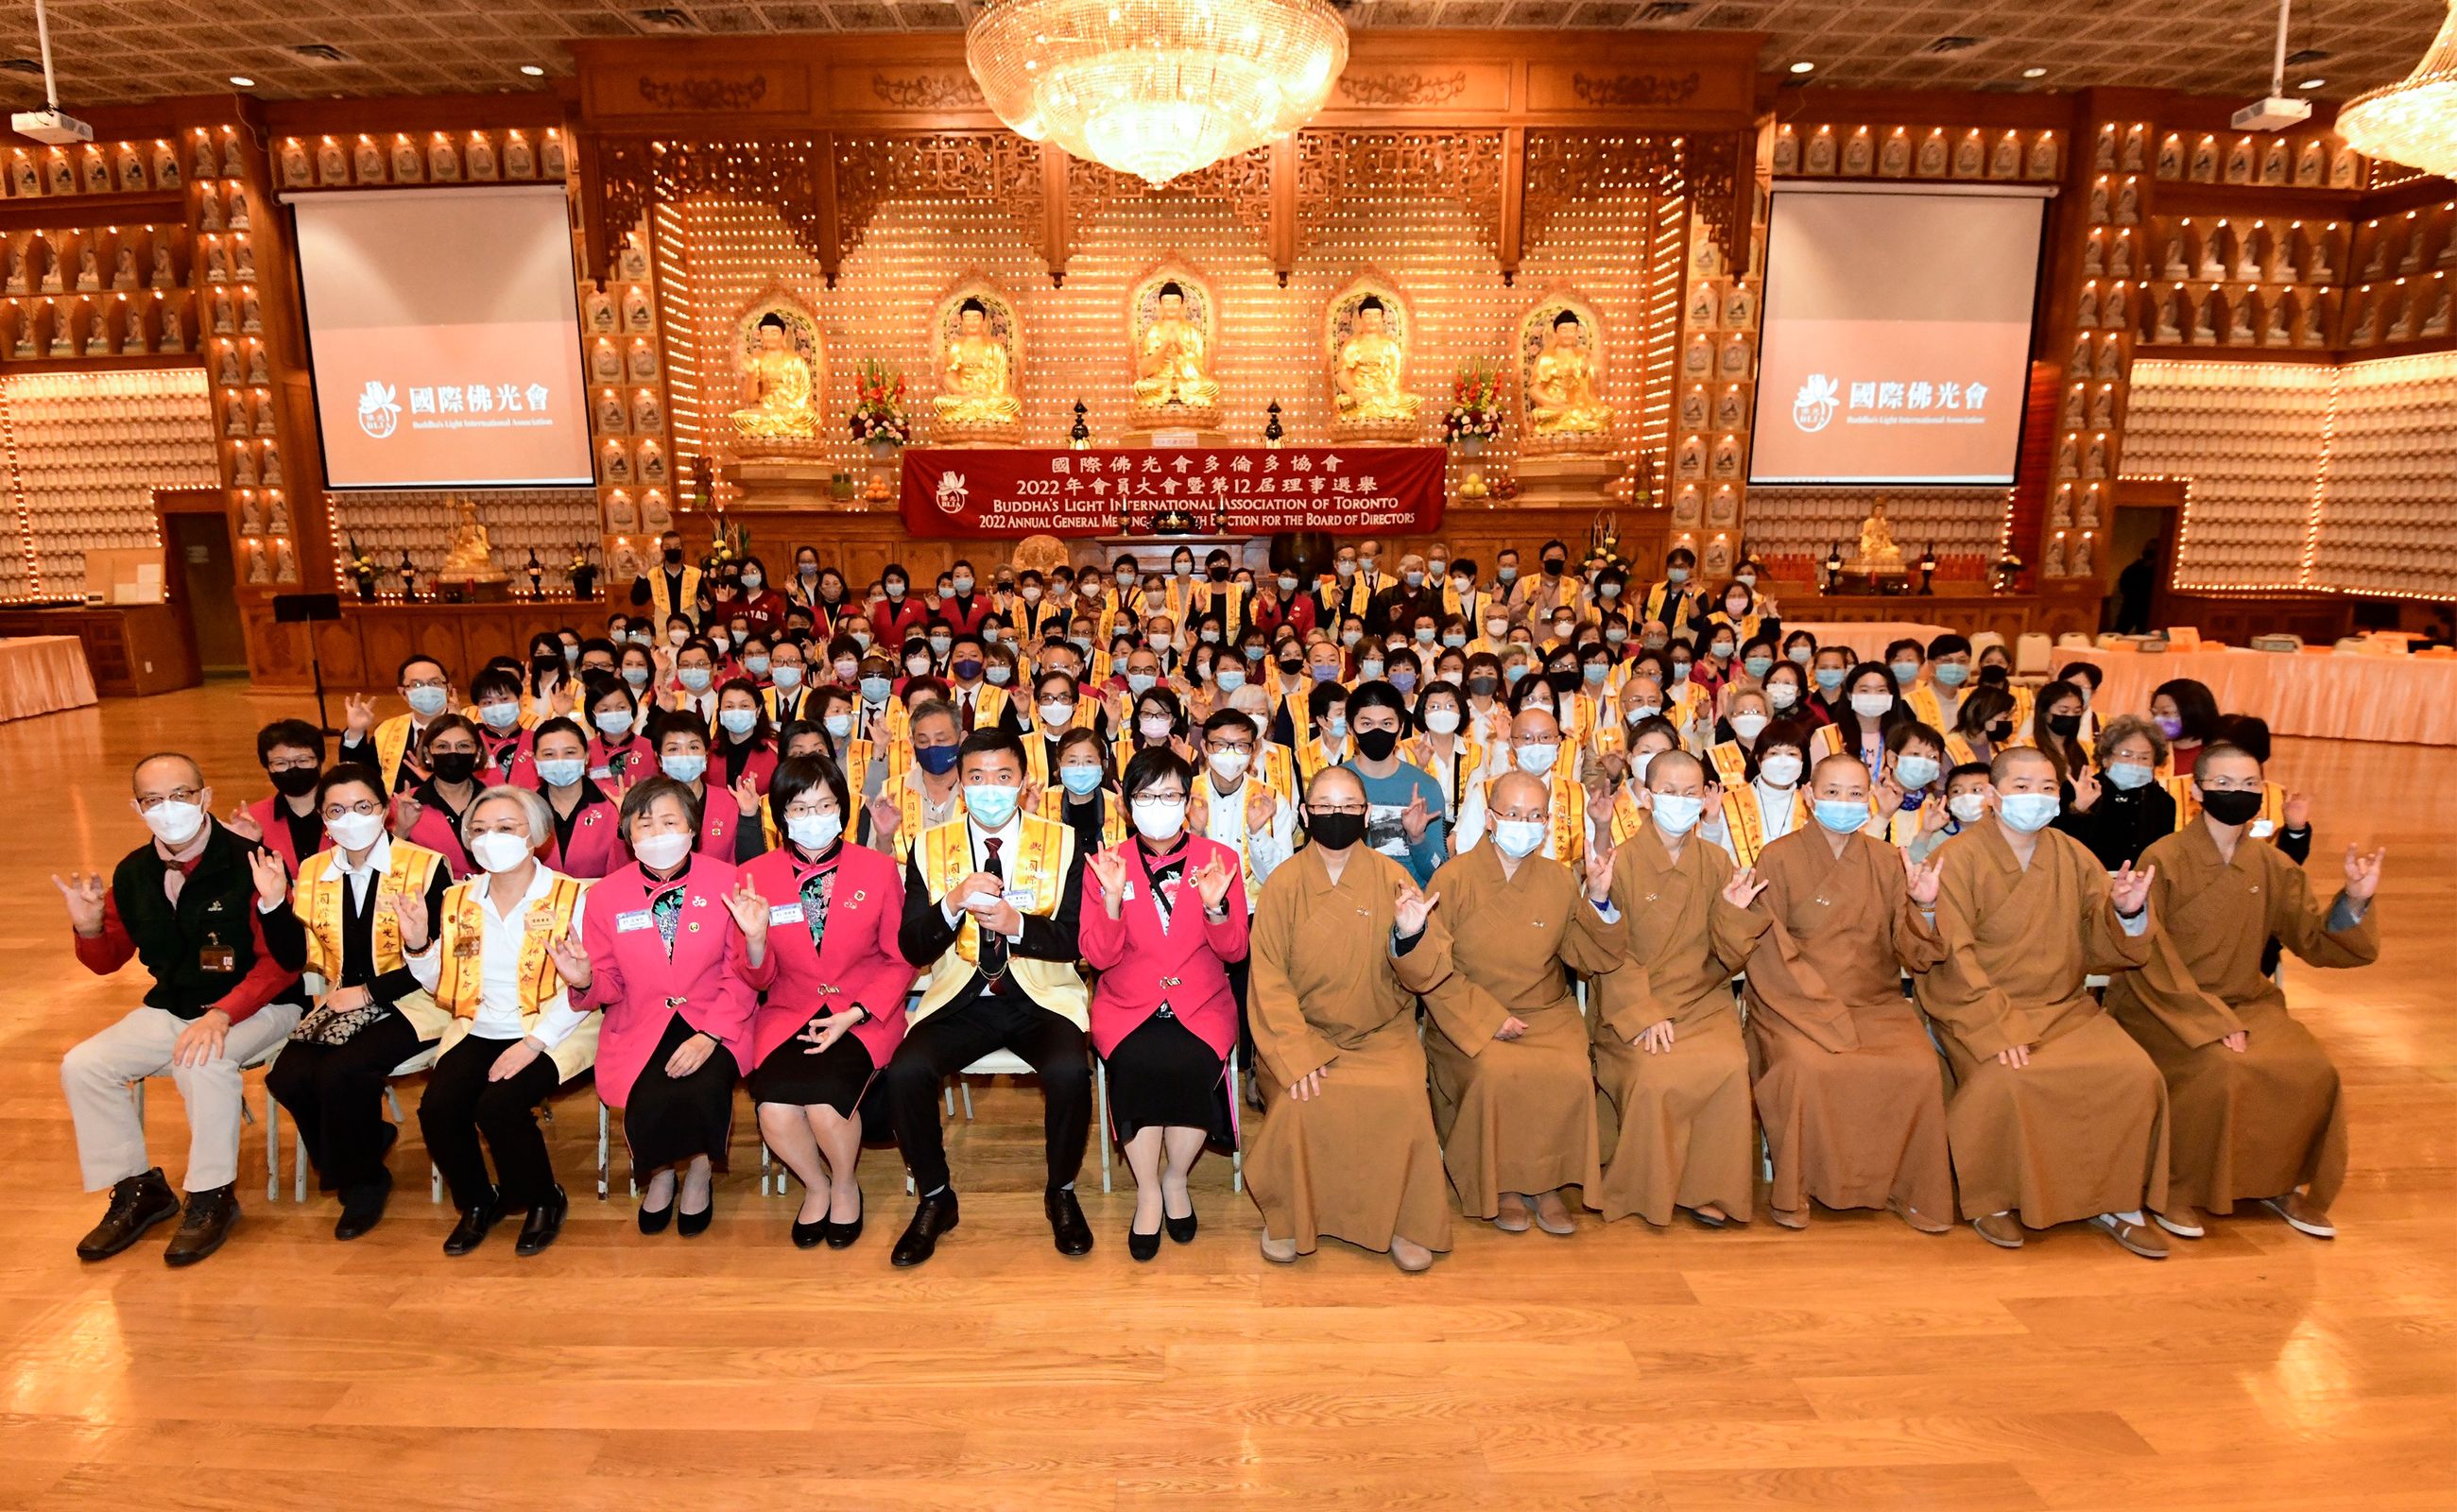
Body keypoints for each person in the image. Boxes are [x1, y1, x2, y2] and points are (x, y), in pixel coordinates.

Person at [2105, 743, 2383, 1241]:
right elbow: (2152, 953)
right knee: (2219, 1068)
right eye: (2224, 784)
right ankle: (2178, 1188)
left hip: (2245, 998)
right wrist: (2209, 1021)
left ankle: (2274, 1181)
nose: (2238, 793)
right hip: (2161, 1001)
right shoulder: (2164, 857)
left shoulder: (2273, 866)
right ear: (2198, 791)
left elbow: (2314, 939)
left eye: (2250, 785)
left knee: (2309, 1067)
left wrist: (2355, 902)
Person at [1913, 747, 2179, 1259]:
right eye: (2020, 786)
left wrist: (2126, 913)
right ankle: (1995, 1199)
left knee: (2133, 1073)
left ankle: (2119, 1202)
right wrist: (1996, 1025)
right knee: (2010, 1079)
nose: (2034, 797)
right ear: (1992, 795)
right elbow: (1953, 954)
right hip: (1977, 1007)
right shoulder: (1958, 858)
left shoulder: (2073, 855)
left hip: (2063, 1007)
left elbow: (2099, 944)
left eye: (2045, 787)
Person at [56, 753, 304, 1264]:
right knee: (84, 1064)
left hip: (264, 1005)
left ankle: (212, 1195)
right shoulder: (132, 873)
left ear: (205, 797)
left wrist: (223, 1014)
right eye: (153, 800)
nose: (168, 808)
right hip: (175, 1005)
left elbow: (282, 964)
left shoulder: (252, 861)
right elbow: (109, 962)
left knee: (203, 1061)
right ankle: (139, 1188)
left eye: (181, 795)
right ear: (137, 807)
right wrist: (88, 928)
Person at [885, 729, 1094, 1265]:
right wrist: (951, 904)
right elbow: (912, 945)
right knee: (906, 1071)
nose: (990, 789)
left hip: (1041, 997)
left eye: (1003, 777)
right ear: (960, 783)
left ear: (1023, 781)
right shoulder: (930, 848)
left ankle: (1062, 1191)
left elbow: (1076, 938)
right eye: (976, 778)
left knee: (1071, 1071)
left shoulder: (1064, 842)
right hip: (963, 996)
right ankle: (935, 1196)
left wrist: (1018, 925)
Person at [1246, 766, 1452, 1271]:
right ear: (1304, 813)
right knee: (1302, 1099)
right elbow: (1267, 980)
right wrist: (1296, 1052)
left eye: (1348, 806)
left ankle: (1408, 1218)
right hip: (1302, 1033)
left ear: (1366, 815)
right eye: (1324, 806)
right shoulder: (1283, 884)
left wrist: (1410, 935)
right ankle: (1293, 1218)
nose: (1335, 815)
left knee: (1403, 1095)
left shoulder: (1393, 878)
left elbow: (1427, 973)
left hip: (1382, 1032)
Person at [1742, 754, 1954, 1232]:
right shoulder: (1777, 857)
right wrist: (1819, 1011)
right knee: (1807, 1067)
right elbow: (1769, 948)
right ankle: (1796, 1191)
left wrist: (1929, 907)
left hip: (1873, 1001)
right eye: (1832, 792)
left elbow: (1913, 948)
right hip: (1793, 1004)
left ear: (1871, 798)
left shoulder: (1887, 859)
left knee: (1918, 1067)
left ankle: (1906, 1191)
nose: (1844, 803)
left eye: (1856, 794)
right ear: (1810, 796)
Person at [1416, 771, 1619, 1235]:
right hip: (1467, 1012)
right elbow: (1431, 966)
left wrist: (1600, 899)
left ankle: (1545, 1183)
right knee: (1496, 1073)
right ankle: (1502, 1183)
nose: (1523, 824)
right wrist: (1487, 1018)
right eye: (1512, 814)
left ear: (1547, 823)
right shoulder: (1455, 877)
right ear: (1489, 818)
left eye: (1535, 816)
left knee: (1568, 1069)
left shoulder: (1558, 879)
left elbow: (1583, 955)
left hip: (1544, 1012)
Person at [1580, 750, 1771, 1228]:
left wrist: (1732, 911)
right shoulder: (1616, 861)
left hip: (1701, 1000)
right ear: (1645, 796)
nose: (1680, 802)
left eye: (1691, 794)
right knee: (1656, 1074)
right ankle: (1645, 1189)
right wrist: (1642, 1012)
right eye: (1668, 792)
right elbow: (1605, 954)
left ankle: (1712, 1188)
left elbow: (1727, 955)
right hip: (1631, 1002)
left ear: (1707, 801)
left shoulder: (1717, 859)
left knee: (1729, 1065)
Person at [404, 784, 595, 1257]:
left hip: (557, 1024)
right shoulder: (457, 899)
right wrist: (417, 946)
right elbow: (440, 983)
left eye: (507, 828)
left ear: (536, 835)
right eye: (481, 829)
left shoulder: (575, 897)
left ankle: (542, 1199)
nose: (493, 838)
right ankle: (476, 1202)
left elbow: (584, 988)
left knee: (499, 1104)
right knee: (439, 1108)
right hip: (481, 1024)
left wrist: (532, 1044)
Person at [733, 755, 914, 1249]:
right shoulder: (754, 877)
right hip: (788, 1013)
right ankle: (815, 1186)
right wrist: (754, 939)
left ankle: (843, 1183)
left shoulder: (876, 868)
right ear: (781, 815)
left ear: (842, 807)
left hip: (862, 1012)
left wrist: (853, 1015)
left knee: (825, 1105)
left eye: (825, 804)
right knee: (774, 1108)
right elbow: (757, 975)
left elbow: (901, 960)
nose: (814, 817)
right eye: (800, 807)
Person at [266, 763, 454, 1240]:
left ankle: (364, 1179)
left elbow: (440, 956)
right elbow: (294, 957)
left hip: (412, 998)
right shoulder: (312, 871)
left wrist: (370, 993)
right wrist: (272, 907)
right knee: (286, 1077)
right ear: (324, 818)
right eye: (337, 809)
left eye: (363, 806)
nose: (351, 817)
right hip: (340, 1000)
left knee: (341, 1073)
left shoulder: (424, 866)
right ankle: (364, 1144)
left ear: (385, 809)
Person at [1080, 748, 1250, 1260]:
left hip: (1201, 1001)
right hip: (1128, 1002)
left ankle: (1176, 1179)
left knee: (1191, 1064)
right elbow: (1097, 955)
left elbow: (1236, 950)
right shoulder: (1108, 863)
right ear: (1129, 806)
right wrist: (1112, 899)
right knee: (1136, 1065)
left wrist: (1216, 906)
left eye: (1170, 795)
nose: (1160, 805)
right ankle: (1148, 1191)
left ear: (1187, 800)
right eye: (1147, 796)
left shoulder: (1219, 861)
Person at [578, 776, 756, 1237]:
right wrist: (582, 979)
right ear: (628, 834)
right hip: (639, 1019)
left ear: (692, 827)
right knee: (648, 1090)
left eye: (669, 821)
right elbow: (609, 985)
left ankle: (699, 1169)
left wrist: (711, 1034)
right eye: (645, 824)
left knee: (702, 1085)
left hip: (715, 1014)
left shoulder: (726, 882)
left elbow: (740, 971)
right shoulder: (604, 896)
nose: (658, 833)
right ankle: (659, 1172)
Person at [1340, 680, 1448, 885]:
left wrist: (1417, 839)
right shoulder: (1332, 785)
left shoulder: (1426, 787)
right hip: (1350, 906)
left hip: (1410, 908)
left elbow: (1438, 870)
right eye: (1367, 724)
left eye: (1386, 724)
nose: (1377, 731)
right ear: (1350, 729)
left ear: (1400, 729)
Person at [2053, 713, 2176, 869]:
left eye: (2144, 758)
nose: (2134, 763)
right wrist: (2078, 810)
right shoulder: (2078, 790)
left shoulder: (2162, 801)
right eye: (2127, 755)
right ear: (2106, 758)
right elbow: (2058, 844)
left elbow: (2161, 856)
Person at [528, 716, 626, 878]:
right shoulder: (523, 805)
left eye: (570, 753)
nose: (560, 761)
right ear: (535, 761)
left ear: (587, 756)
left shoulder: (616, 801)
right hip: (541, 902)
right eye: (549, 754)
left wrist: (628, 822)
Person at [390, 715, 485, 876]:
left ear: (477, 753)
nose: (453, 753)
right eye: (442, 746)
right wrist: (401, 830)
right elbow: (389, 865)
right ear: (428, 755)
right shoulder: (403, 804)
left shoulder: (498, 801)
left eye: (463, 746)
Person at [236, 717, 330, 873]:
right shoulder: (250, 820)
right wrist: (241, 845)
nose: (293, 769)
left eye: (303, 760)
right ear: (267, 767)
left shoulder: (347, 811)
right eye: (280, 763)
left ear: (320, 761)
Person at [2151, 678, 2220, 778]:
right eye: (2154, 714)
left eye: (2165, 713)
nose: (2157, 721)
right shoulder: (2152, 754)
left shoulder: (2221, 754)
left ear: (2193, 711)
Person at [2114, 539, 2160, 633]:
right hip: (2144, 607)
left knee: (2119, 632)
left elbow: (2123, 587)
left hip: (2131, 605)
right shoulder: (2158, 573)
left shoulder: (2132, 569)